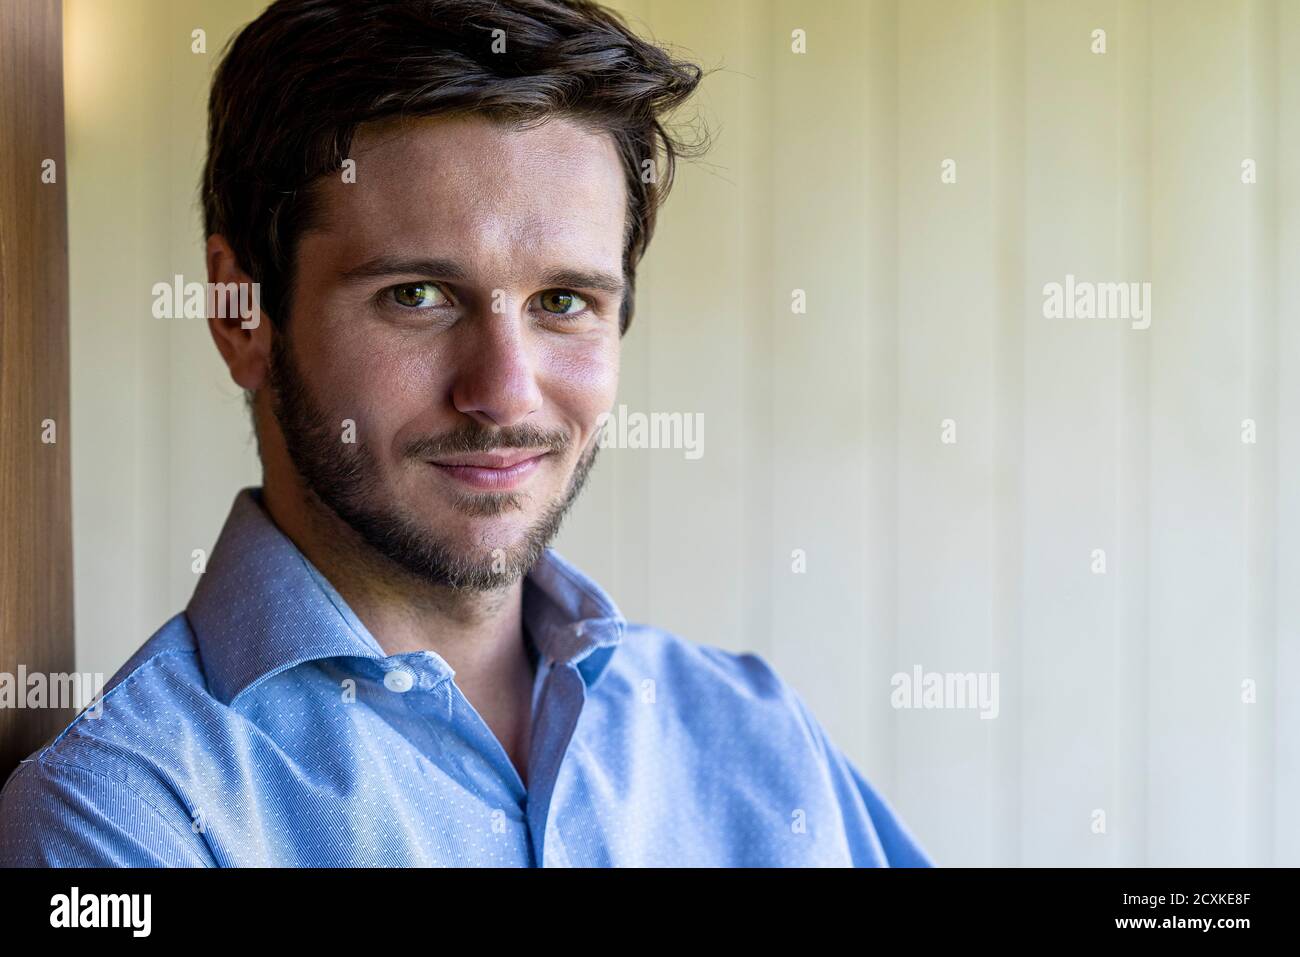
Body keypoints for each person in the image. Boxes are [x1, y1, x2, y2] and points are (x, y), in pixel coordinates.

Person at [0, 0, 931, 867]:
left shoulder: (752, 734)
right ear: (243, 311)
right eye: (417, 296)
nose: (503, 393)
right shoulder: (123, 813)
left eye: (563, 302)